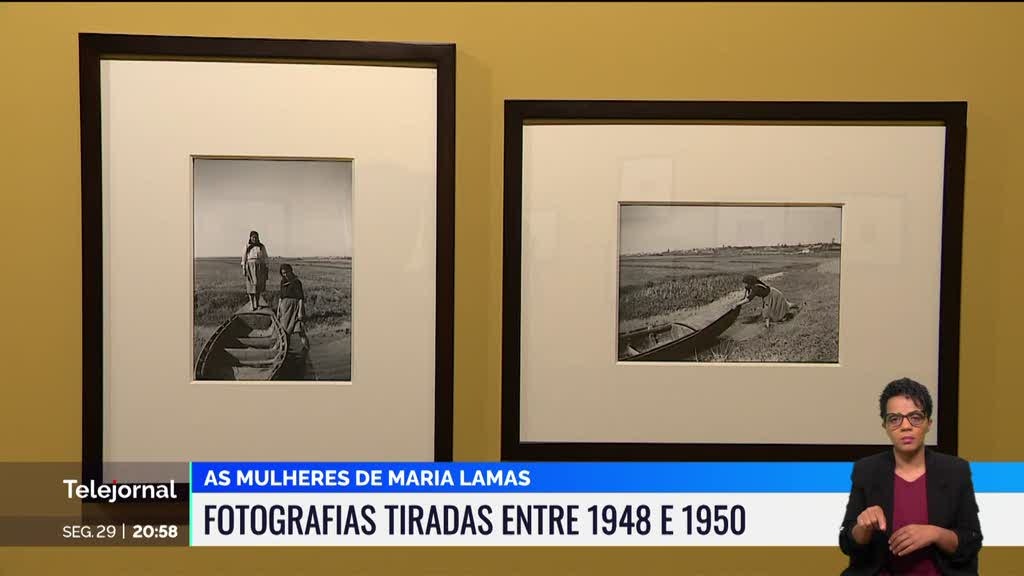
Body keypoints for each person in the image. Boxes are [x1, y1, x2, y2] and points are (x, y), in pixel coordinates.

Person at [839, 378, 982, 575]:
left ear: (928, 423)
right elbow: (847, 543)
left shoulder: (956, 471)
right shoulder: (866, 470)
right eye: (894, 419)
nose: (905, 426)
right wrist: (863, 527)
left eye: (915, 417)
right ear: (885, 425)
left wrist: (935, 534)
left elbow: (971, 541)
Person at [241, 231, 269, 311]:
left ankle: (257, 303)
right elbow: (244, 258)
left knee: (258, 286)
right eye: (253, 237)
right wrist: (244, 269)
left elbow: (265, 257)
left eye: (256, 237)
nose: (254, 239)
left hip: (260, 267)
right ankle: (252, 304)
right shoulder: (247, 246)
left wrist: (266, 268)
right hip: (250, 267)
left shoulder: (261, 246)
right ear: (250, 238)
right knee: (250, 286)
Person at [276, 263, 305, 336]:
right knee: (284, 330)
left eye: (287, 272)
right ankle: (286, 343)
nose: (285, 275)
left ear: (291, 271)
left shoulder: (297, 282)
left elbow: (300, 298)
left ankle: (306, 344)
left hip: (295, 308)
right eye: (283, 273)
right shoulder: (282, 282)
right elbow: (281, 297)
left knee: (300, 330)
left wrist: (300, 311)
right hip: (285, 309)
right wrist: (278, 310)